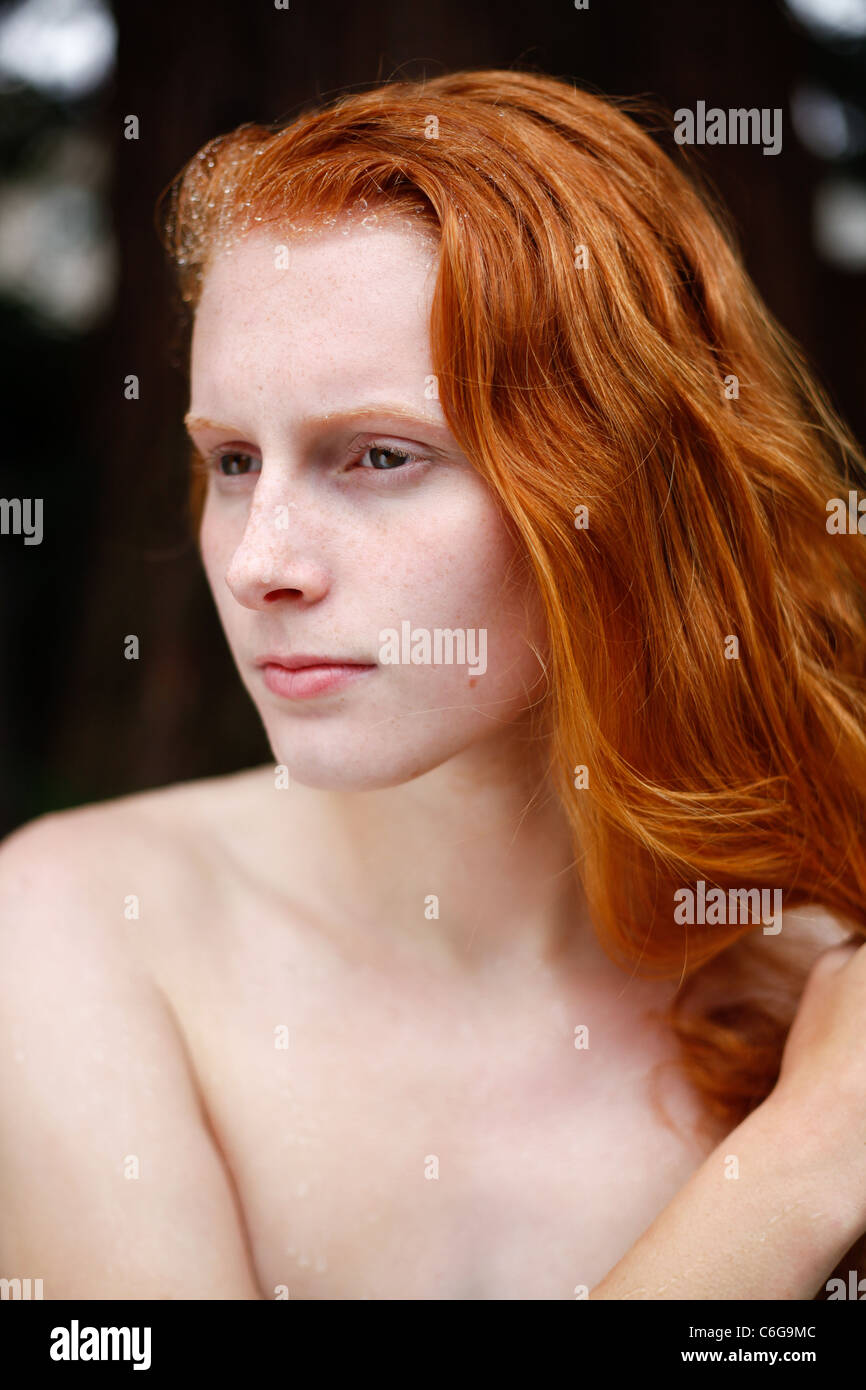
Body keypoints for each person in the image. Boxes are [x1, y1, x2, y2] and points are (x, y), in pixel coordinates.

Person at [2, 68, 866, 1301]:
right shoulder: (79, 927)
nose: (260, 562)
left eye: (377, 456)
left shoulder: (821, 976)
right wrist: (791, 1174)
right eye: (232, 460)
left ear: (610, 487)